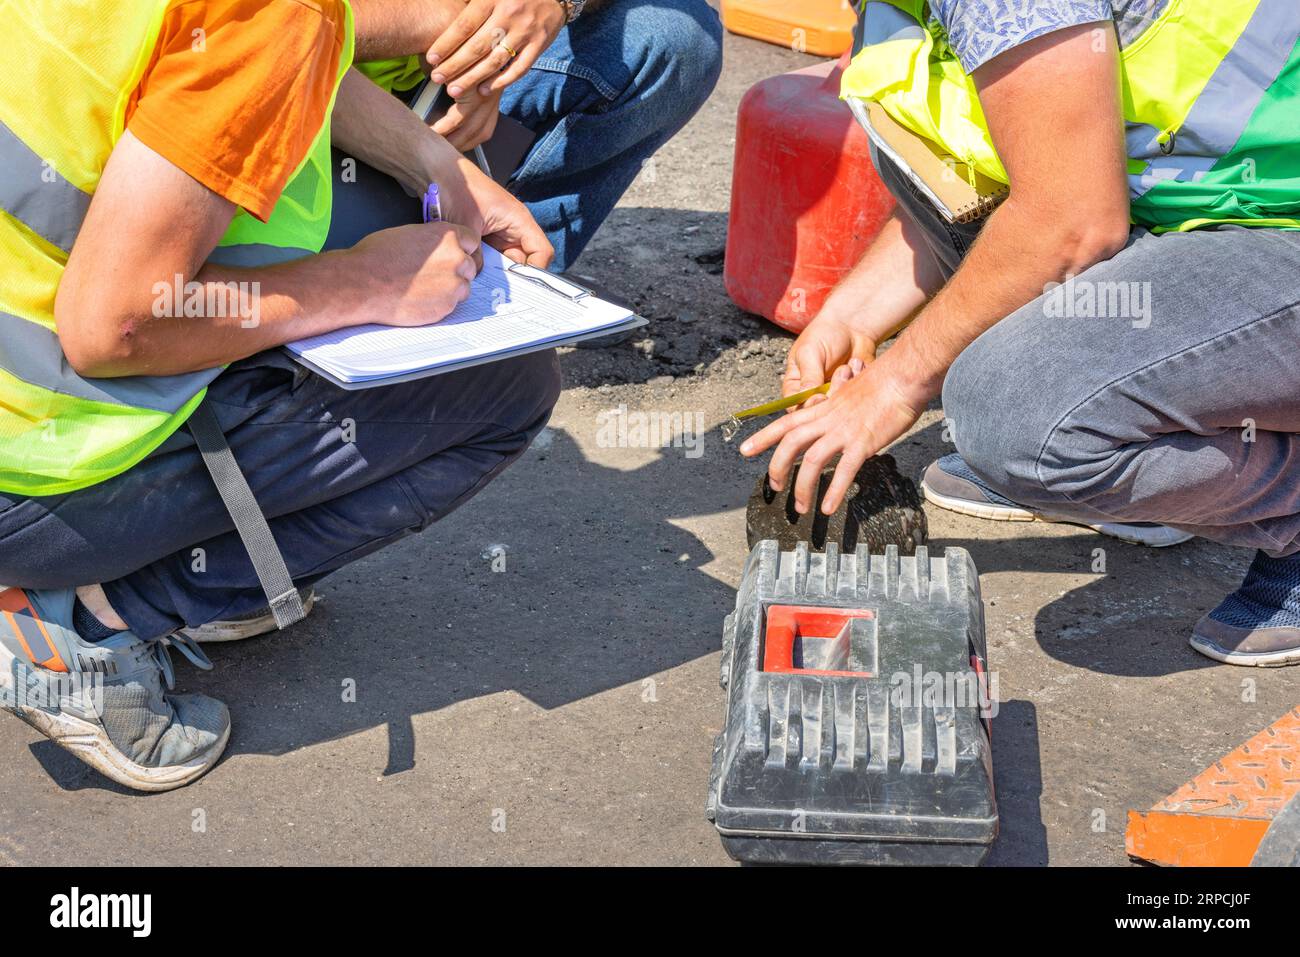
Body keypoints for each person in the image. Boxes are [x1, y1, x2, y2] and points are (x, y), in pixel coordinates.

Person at [0, 0, 718, 791]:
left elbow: (277, 45)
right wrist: (363, 282)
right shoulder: (270, 15)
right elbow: (118, 325)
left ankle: (201, 548)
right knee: (500, 390)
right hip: (29, 466)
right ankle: (88, 618)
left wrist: (436, 164)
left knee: (385, 246)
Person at [742, 0, 1300, 667]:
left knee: (1019, 418)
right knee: (1017, 396)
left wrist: (895, 383)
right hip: (1200, 213)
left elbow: (1072, 220)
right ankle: (1151, 446)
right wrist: (852, 315)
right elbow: (978, 172)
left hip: (1275, 231)